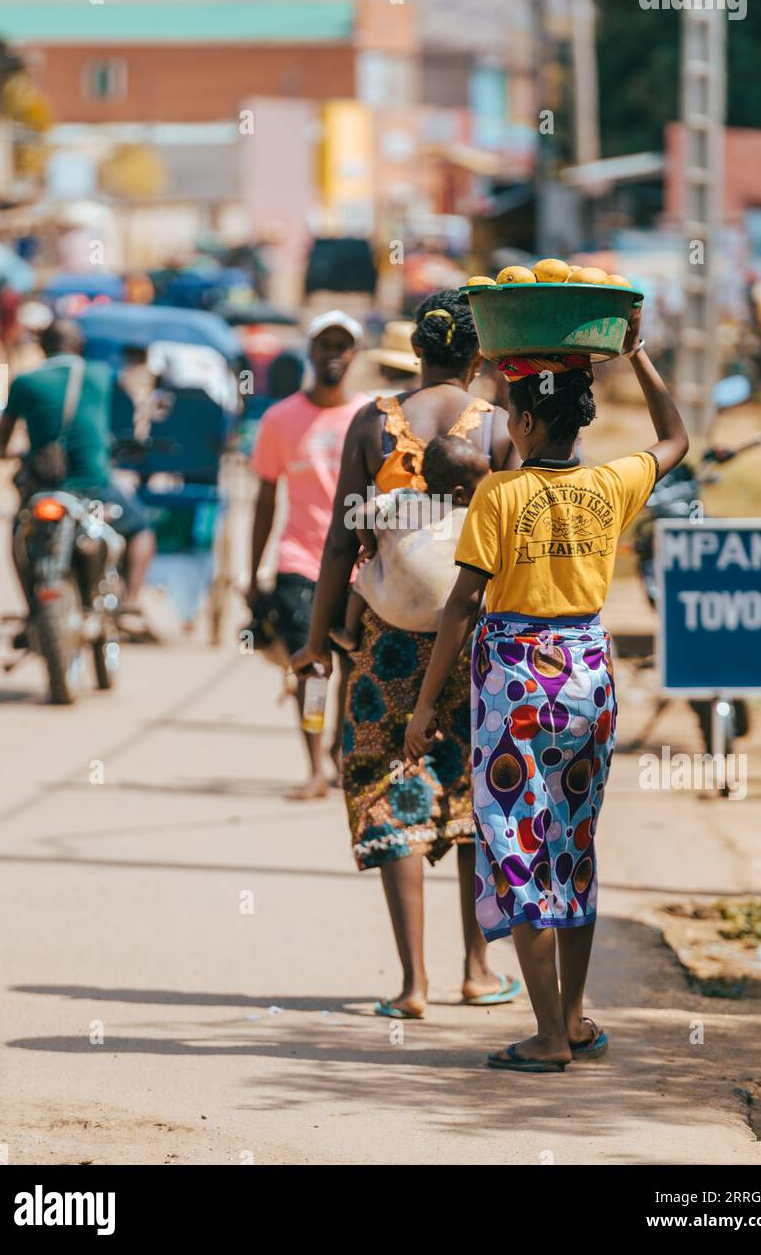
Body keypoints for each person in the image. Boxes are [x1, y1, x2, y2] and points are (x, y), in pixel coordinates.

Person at [404, 309, 689, 1070]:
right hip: (587, 676)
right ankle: (572, 1014)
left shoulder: (498, 495)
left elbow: (461, 605)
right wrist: (640, 356)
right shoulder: (611, 483)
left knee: (514, 846)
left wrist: (427, 703)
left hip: (515, 684)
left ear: (524, 420)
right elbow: (675, 441)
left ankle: (548, 1036)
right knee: (571, 845)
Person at [292, 289, 520, 1019]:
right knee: (477, 793)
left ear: (413, 352)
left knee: (388, 785)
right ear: (477, 356)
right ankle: (477, 972)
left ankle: (412, 984)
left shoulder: (371, 423)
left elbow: (337, 544)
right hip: (478, 638)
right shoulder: (497, 429)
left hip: (385, 641)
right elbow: (518, 536)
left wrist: (315, 643)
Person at [247, 310, 367, 801]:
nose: (333, 354)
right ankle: (315, 767)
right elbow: (265, 498)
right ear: (310, 351)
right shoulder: (279, 419)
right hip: (300, 563)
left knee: (356, 669)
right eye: (324, 345)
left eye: (342, 345)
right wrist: (256, 571)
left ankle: (342, 747)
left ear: (354, 354)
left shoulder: (371, 415)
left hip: (360, 566)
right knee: (314, 669)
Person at [0, 318, 156, 630]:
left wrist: (1, 450)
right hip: (93, 486)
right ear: (79, 346)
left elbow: (4, 429)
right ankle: (132, 603)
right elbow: (125, 412)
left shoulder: (25, 381)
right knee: (141, 529)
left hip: (43, 486)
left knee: (19, 533)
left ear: (43, 347)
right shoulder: (99, 375)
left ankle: (31, 611)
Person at [331, 434, 490, 652]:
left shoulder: (407, 497)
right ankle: (468, 645)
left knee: (363, 579)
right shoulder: (473, 514)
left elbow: (361, 514)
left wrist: (370, 547)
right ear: (460, 494)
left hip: (390, 608)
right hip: (445, 616)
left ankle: (349, 634)